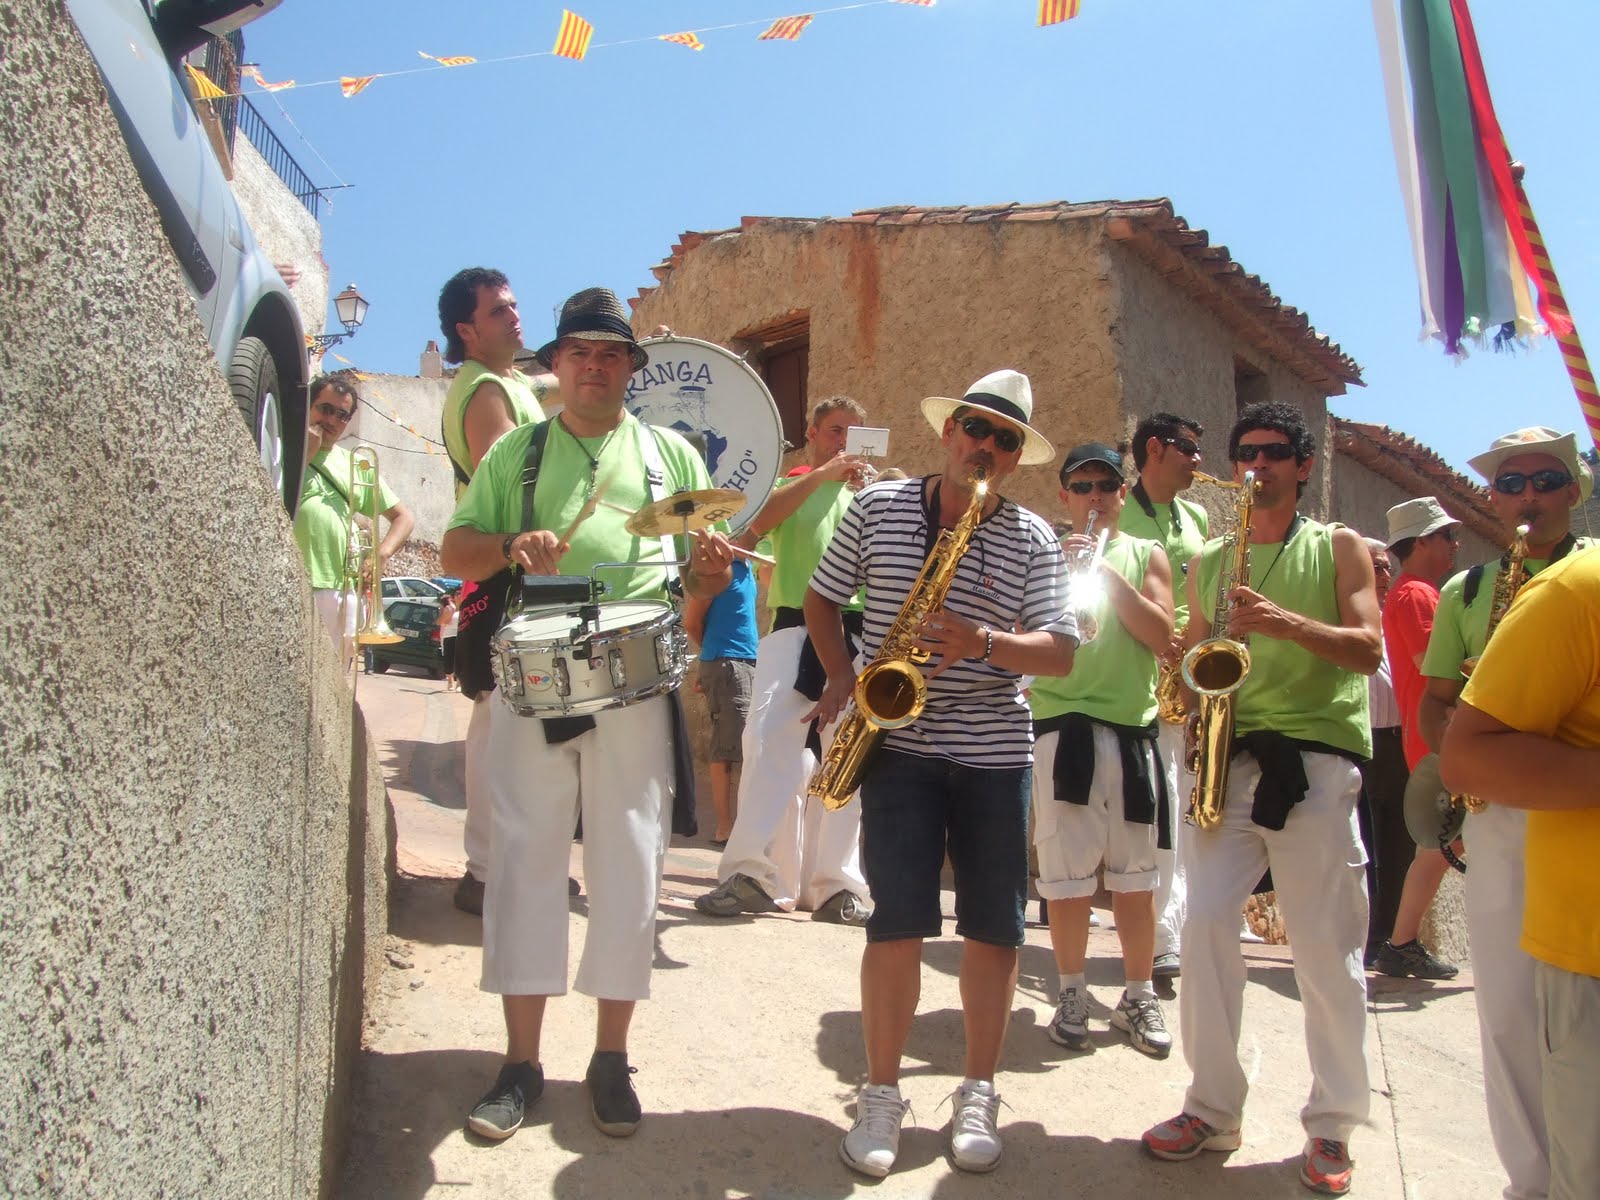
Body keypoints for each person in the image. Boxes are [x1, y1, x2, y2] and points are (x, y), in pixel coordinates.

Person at [439, 287, 734, 1145]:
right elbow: (458, 547)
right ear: (557, 366)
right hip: (535, 670)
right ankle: (521, 1063)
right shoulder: (516, 456)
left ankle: (611, 1057)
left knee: (630, 861)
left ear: (631, 370)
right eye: (579, 354)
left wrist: (709, 581)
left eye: (611, 355)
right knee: (526, 856)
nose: (594, 367)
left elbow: (697, 580)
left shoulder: (673, 457)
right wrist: (508, 549)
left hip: (635, 677)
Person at [806, 369, 1073, 1177]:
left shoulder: (1032, 537)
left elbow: (1060, 651)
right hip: (901, 745)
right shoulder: (877, 508)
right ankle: (881, 1092)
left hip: (994, 750)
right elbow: (823, 600)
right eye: (976, 428)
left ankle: (978, 1089)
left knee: (994, 926)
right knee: (898, 920)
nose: (985, 446)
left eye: (1004, 439)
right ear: (949, 429)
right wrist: (845, 678)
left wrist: (981, 642)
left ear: (1016, 456)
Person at [1142, 401, 1381, 1198]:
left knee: (1323, 949)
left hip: (1314, 757)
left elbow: (1368, 646)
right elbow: (1204, 649)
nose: (1258, 465)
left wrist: (1283, 624)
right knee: (1205, 924)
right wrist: (1187, 670)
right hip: (1231, 760)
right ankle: (1212, 1108)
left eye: (1276, 452)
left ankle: (1334, 1126)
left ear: (1304, 466)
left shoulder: (1339, 545)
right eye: (1245, 451)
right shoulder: (1214, 555)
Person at [1417, 426, 1595, 1200]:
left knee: (1569, 1018)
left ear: (1574, 493)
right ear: (1493, 498)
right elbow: (1432, 703)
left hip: (1571, 807)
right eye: (1511, 483)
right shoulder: (1464, 592)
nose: (1528, 497)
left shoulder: (1582, 579)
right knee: (1509, 1008)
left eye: (1545, 481)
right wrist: (1458, 770)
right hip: (1497, 806)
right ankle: (1534, 1178)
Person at [694, 397, 877, 923]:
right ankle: (749, 874)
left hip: (858, 633)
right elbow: (753, 529)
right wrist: (823, 475)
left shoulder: (874, 496)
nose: (845, 442)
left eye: (855, 436)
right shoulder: (796, 488)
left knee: (847, 760)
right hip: (794, 628)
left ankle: (839, 887)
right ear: (813, 434)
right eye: (835, 431)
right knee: (765, 741)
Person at [1030, 443, 1175, 1058]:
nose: (1094, 497)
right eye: (1082, 486)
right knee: (1066, 878)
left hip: (1131, 732)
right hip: (1062, 726)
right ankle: (1070, 989)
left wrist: (1108, 573)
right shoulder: (1041, 556)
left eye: (1105, 487)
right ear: (1064, 495)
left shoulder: (1147, 554)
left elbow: (1165, 636)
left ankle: (1137, 995)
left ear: (1120, 495)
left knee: (1136, 880)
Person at [436, 267, 556, 916]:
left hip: (519, 567)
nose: (514, 315)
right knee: (498, 721)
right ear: (466, 330)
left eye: (514, 304)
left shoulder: (511, 383)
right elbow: (504, 484)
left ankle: (509, 862)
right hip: (503, 567)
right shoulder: (482, 391)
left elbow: (551, 382)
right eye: (497, 311)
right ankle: (484, 872)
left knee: (523, 723)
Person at [1118, 411, 1209, 979]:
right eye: (1188, 449)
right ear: (1155, 449)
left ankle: (1166, 934)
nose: (1198, 460)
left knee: (1175, 807)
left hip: (1183, 674)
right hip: (1132, 669)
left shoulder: (1196, 515)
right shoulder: (1117, 511)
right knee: (1148, 815)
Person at [1370, 497, 1461, 978]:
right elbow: (1435, 666)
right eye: (1447, 536)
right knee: (1444, 844)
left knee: (1446, 845)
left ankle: (1400, 942)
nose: (1455, 544)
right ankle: (1400, 942)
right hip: (1437, 738)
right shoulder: (1418, 595)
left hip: (1428, 738)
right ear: (1422, 542)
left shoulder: (1412, 591)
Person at [293, 375, 414, 671]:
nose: (333, 420)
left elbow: (404, 518)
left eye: (342, 415)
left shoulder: (357, 462)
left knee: (336, 678)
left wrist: (381, 553)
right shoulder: (286, 446)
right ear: (307, 406)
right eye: (326, 409)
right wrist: (306, 449)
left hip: (346, 589)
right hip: (301, 580)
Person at [682, 539, 760, 847]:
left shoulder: (747, 567)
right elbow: (692, 621)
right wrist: (713, 659)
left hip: (748, 661)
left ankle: (739, 824)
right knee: (727, 745)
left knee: (743, 742)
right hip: (728, 664)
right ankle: (725, 826)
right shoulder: (716, 571)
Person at [1358, 537, 1408, 966]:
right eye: (1375, 566)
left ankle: (1388, 938)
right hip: (1365, 742)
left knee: (1397, 846)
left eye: (1386, 566)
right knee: (1368, 848)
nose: (1384, 573)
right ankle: (1371, 940)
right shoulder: (1349, 615)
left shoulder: (1393, 615)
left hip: (1395, 741)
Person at [435, 591, 461, 691]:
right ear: (454, 597)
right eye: (457, 594)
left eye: (460, 594)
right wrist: (448, 612)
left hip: (460, 635)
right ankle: (450, 681)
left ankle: (459, 684)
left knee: (459, 659)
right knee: (448, 659)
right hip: (449, 635)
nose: (459, 596)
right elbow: (443, 622)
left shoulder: (464, 608)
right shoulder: (450, 609)